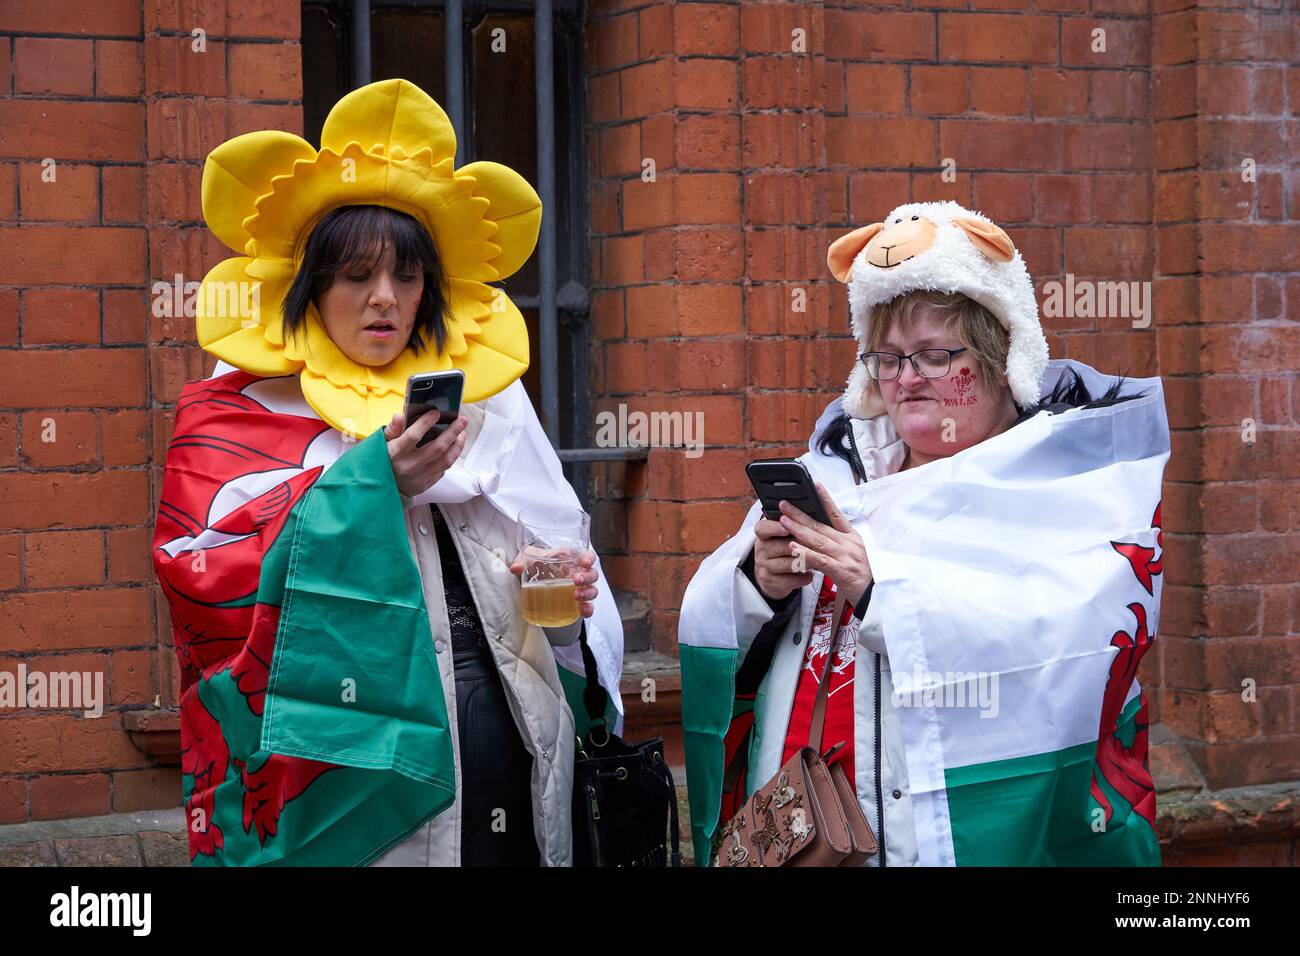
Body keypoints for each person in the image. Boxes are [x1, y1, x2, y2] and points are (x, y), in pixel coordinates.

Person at [152, 79, 623, 866]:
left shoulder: (492, 405)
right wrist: (377, 486)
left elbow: (550, 605)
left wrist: (571, 607)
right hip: (357, 800)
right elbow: (202, 580)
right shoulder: (234, 416)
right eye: (355, 276)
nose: (385, 300)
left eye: (407, 278)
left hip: (517, 768)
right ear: (309, 287)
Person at [679, 200, 1169, 867]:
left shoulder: (1058, 483)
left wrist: (884, 591)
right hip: (808, 828)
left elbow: (1070, 643)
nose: (907, 379)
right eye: (889, 356)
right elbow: (716, 626)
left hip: (938, 837)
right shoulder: (833, 466)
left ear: (1000, 355)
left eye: (936, 355)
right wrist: (757, 584)